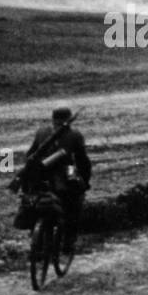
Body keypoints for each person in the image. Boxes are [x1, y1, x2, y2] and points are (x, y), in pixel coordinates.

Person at [23, 106, 92, 249]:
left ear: (53, 119)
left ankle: (35, 237)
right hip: (67, 172)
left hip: (40, 174)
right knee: (75, 202)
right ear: (69, 119)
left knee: (36, 202)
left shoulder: (41, 131)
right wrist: (85, 181)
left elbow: (30, 154)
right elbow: (82, 161)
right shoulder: (75, 134)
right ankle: (68, 240)